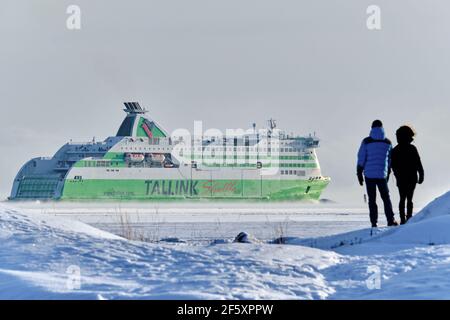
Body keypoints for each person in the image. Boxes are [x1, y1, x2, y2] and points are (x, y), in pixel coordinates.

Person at [357, 120, 398, 227]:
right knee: (386, 198)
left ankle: (374, 222)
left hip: (369, 175)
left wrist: (359, 173)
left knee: (372, 200)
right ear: (382, 128)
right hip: (382, 175)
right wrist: (388, 172)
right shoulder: (388, 142)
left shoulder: (366, 141)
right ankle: (390, 220)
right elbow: (390, 159)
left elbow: (361, 157)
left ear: (372, 128)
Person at [391, 125, 424, 224]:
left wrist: (397, 175)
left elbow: (393, 166)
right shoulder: (412, 148)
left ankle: (403, 220)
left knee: (402, 199)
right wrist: (421, 174)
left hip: (401, 179)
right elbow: (418, 163)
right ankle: (408, 218)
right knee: (409, 199)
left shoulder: (395, 150)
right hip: (412, 178)